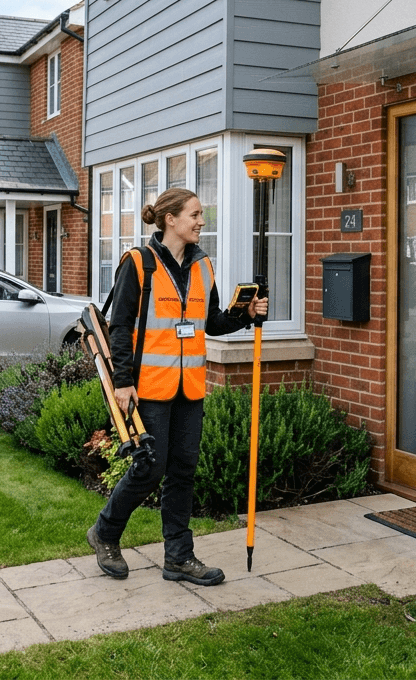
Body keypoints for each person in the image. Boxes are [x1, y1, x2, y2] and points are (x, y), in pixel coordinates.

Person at [86, 187, 268, 586]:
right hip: (149, 387)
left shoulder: (203, 266)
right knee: (150, 468)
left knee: (183, 470)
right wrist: (123, 383)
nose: (202, 221)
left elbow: (212, 322)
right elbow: (120, 327)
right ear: (171, 219)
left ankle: (179, 558)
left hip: (190, 388)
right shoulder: (139, 263)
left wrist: (246, 314)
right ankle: (105, 531)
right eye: (195, 214)